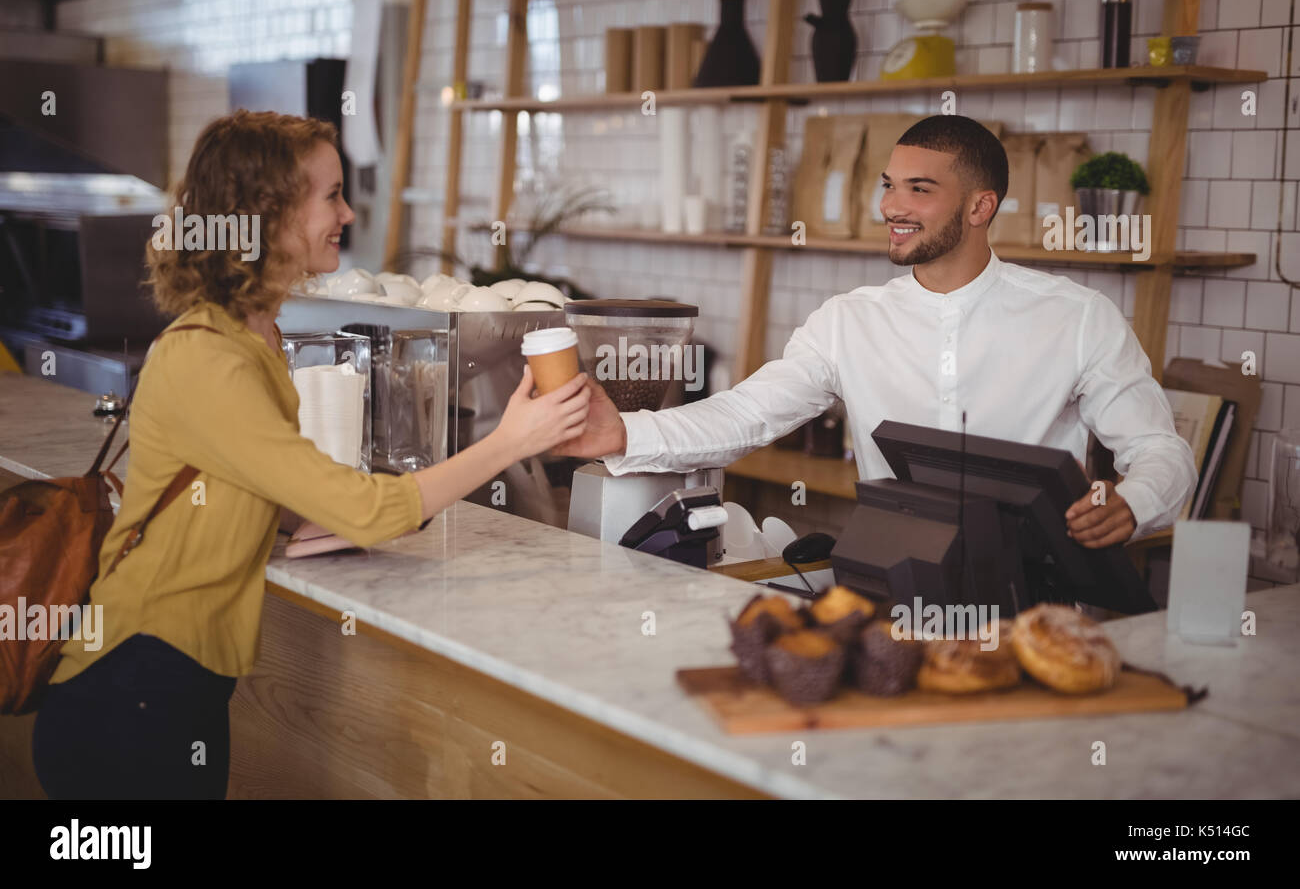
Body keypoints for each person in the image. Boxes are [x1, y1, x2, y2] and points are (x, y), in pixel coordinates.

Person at [31, 110, 591, 799]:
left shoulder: (254, 336)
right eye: (329, 194)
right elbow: (359, 506)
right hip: (128, 696)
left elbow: (259, 477)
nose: (348, 213)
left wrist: (297, 519)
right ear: (268, 215)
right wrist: (512, 441)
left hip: (175, 689)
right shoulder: (208, 356)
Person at [561, 114, 1196, 550]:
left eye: (920, 189)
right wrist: (624, 433)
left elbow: (1161, 452)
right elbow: (747, 415)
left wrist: (1135, 503)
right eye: (890, 186)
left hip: (1033, 602)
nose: (892, 207)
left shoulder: (1078, 318)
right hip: (891, 591)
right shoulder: (847, 320)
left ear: (981, 207)